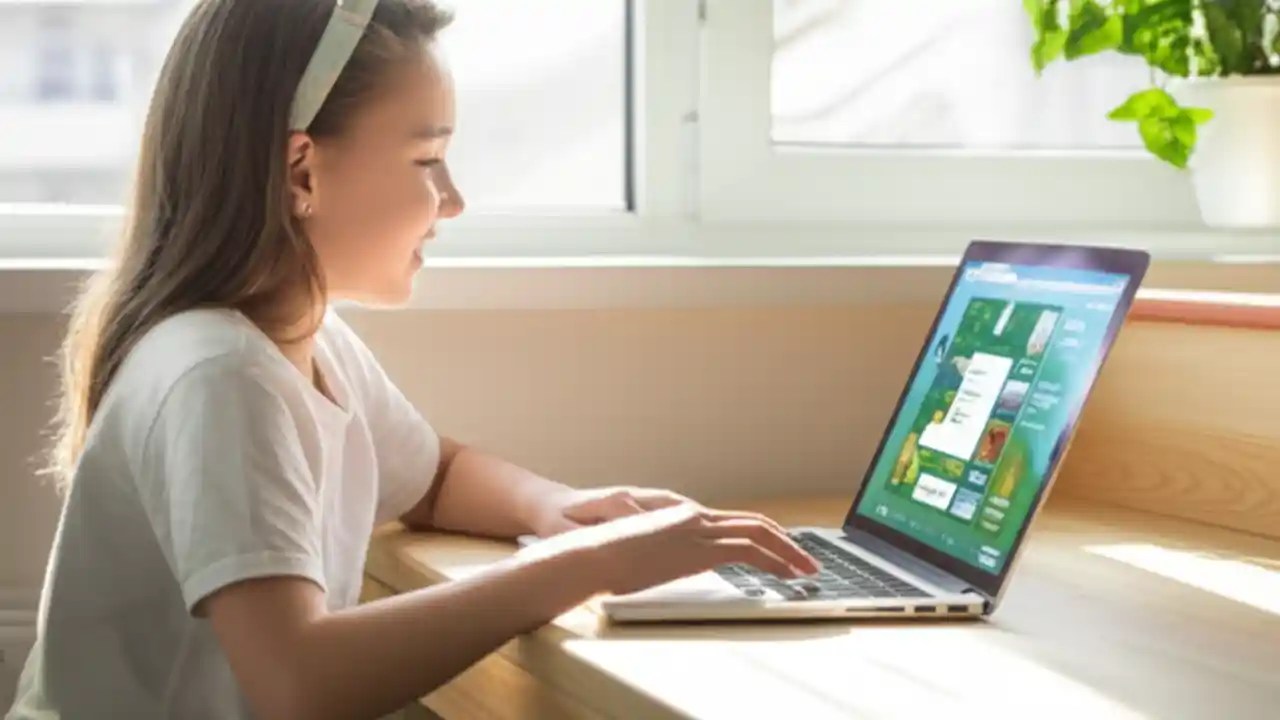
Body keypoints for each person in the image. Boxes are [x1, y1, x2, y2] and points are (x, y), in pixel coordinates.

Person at [6, 1, 820, 718]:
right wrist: (587, 566)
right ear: (301, 172)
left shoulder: (305, 339)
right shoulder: (218, 375)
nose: (454, 199)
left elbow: (430, 477)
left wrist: (558, 507)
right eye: (427, 160)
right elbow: (300, 683)